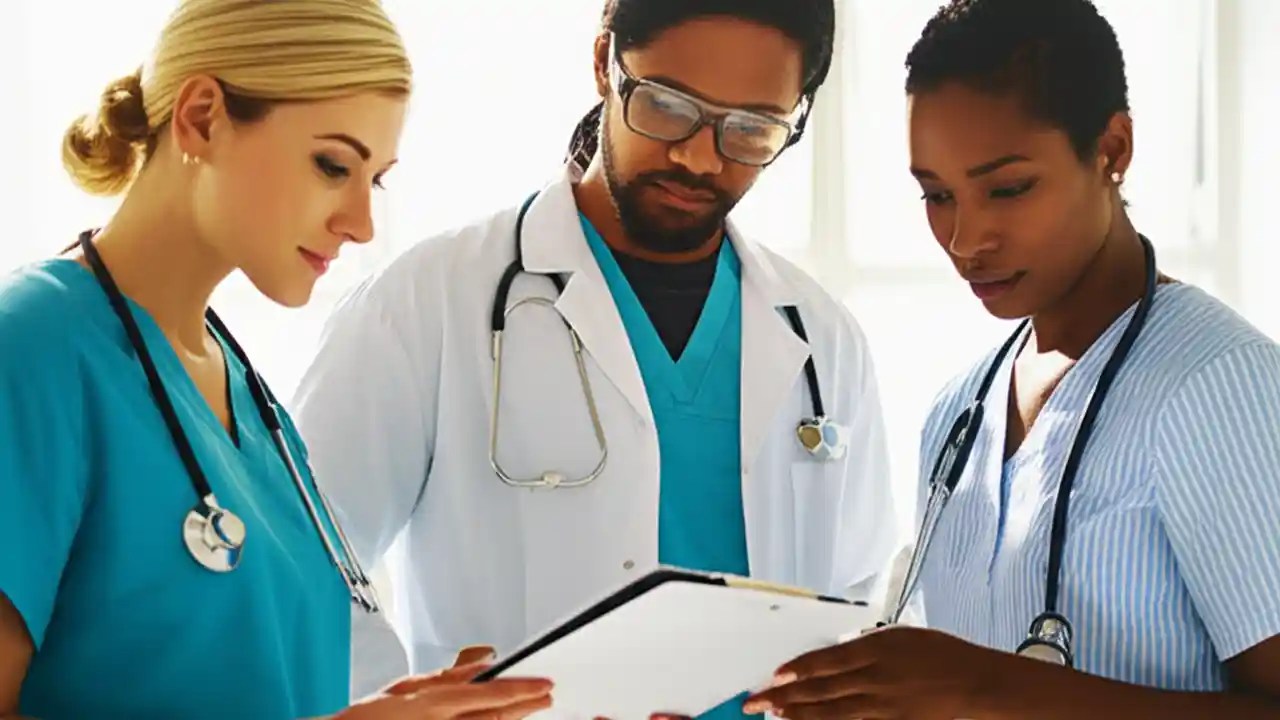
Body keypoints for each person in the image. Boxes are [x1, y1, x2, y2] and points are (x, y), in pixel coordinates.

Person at [289, 0, 899, 713]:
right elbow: (307, 574)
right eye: (668, 107)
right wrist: (402, 704)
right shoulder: (426, 303)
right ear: (605, 62)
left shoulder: (822, 338)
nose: (699, 157)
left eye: (751, 130)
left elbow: (855, 596)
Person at [0, 1, 553, 718]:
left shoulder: (252, 403)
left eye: (375, 179)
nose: (360, 223)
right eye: (333, 166)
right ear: (202, 117)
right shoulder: (32, 354)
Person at [743, 0, 1280, 718]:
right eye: (937, 195)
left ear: (1111, 151)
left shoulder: (1219, 384)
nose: (966, 239)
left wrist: (984, 687)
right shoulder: (958, 412)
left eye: (1008, 188)